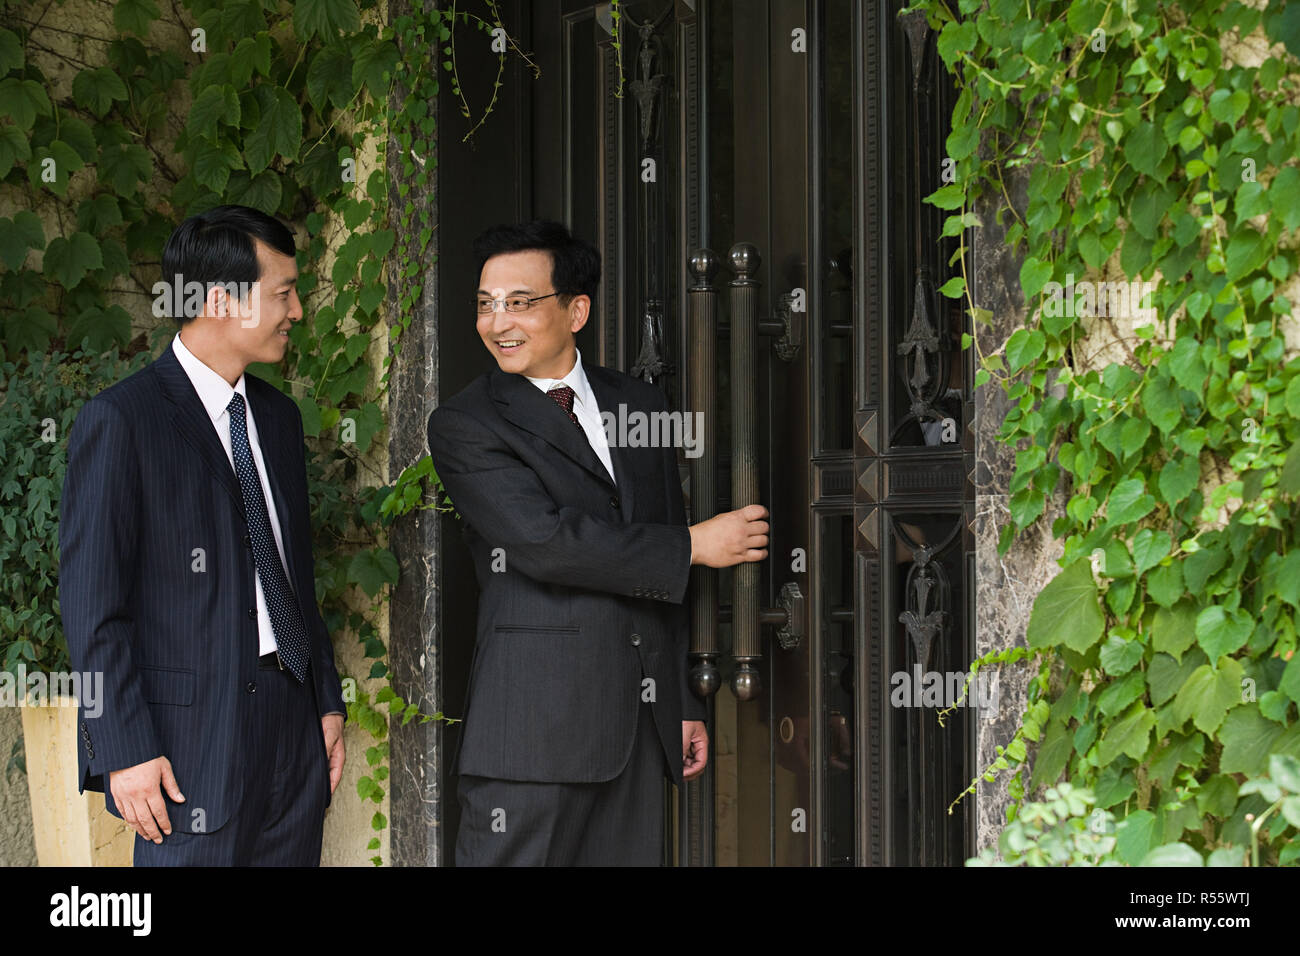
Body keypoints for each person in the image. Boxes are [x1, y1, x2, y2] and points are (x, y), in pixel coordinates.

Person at [426, 219, 768, 865]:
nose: (498, 321)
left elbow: (655, 569)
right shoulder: (465, 423)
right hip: (531, 735)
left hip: (635, 734)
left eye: (520, 302)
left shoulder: (637, 401)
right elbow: (544, 544)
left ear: (576, 309)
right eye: (485, 304)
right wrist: (691, 545)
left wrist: (676, 703)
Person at [59, 204, 347, 865]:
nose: (297, 310)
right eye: (283, 293)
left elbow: (293, 575)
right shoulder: (121, 422)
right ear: (220, 299)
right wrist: (124, 747)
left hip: (291, 729)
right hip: (187, 745)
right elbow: (91, 605)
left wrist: (325, 702)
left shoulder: (276, 418)